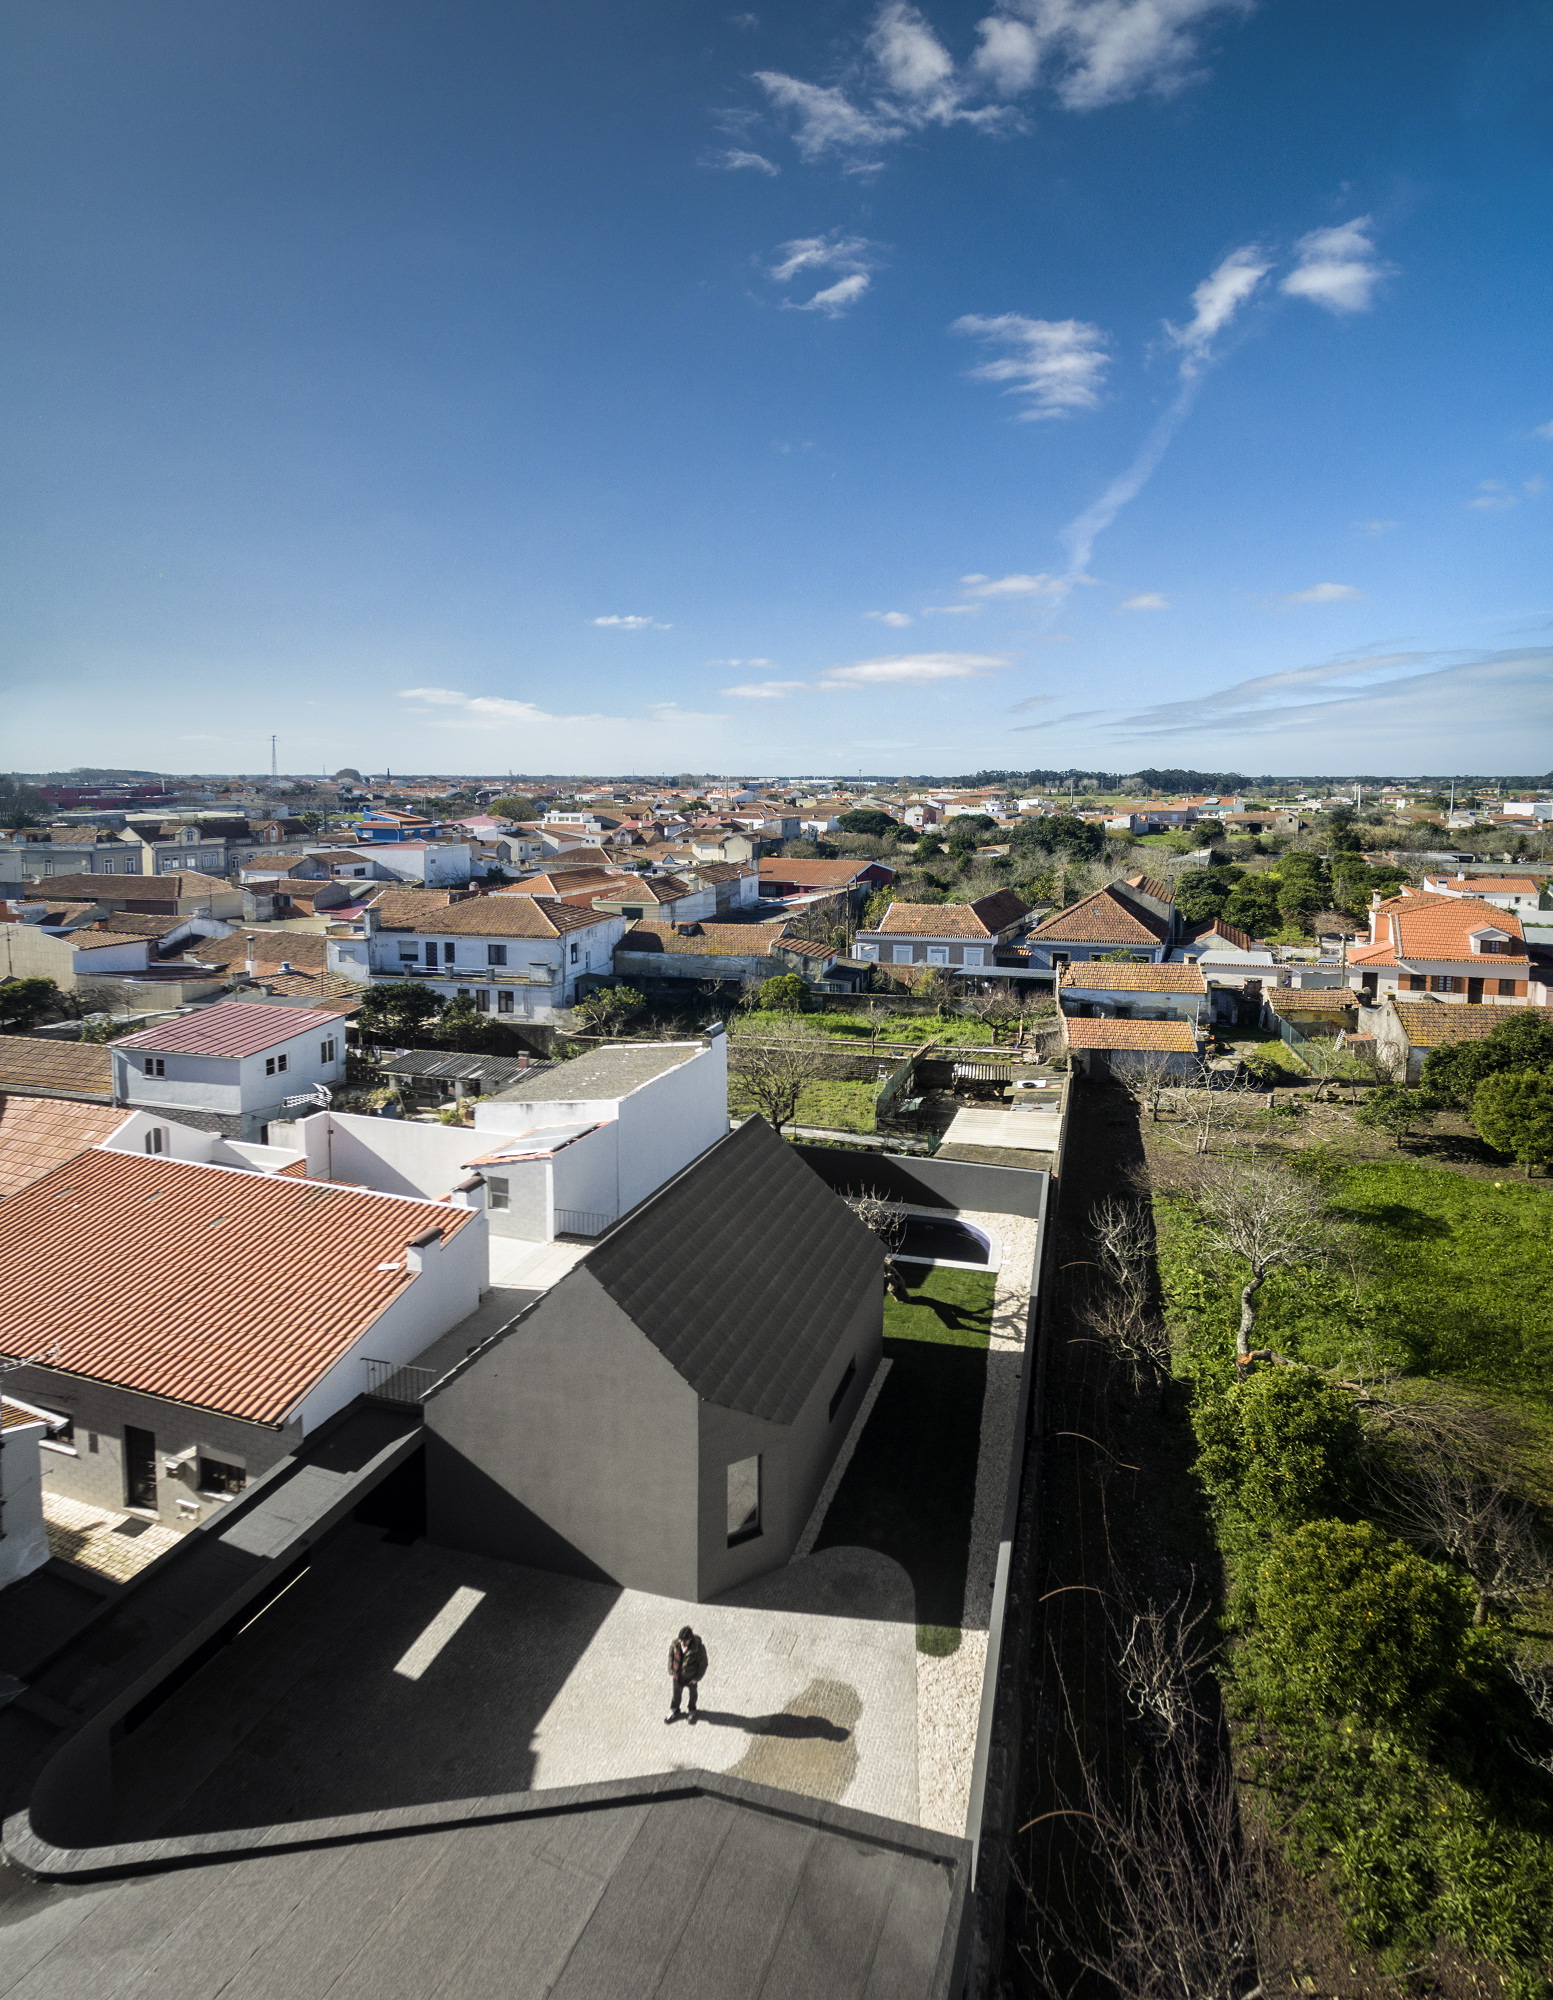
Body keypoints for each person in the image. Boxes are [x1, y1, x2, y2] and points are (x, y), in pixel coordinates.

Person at [666, 1624, 707, 1724]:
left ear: (690, 1639)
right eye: (681, 1640)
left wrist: (697, 1678)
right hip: (678, 1676)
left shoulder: (698, 1648)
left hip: (691, 1677)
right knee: (676, 1694)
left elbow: (703, 1664)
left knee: (693, 1694)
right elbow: (671, 1657)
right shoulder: (675, 1645)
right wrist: (672, 1671)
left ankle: (692, 1710)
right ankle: (674, 1709)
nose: (682, 1643)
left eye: (685, 1641)